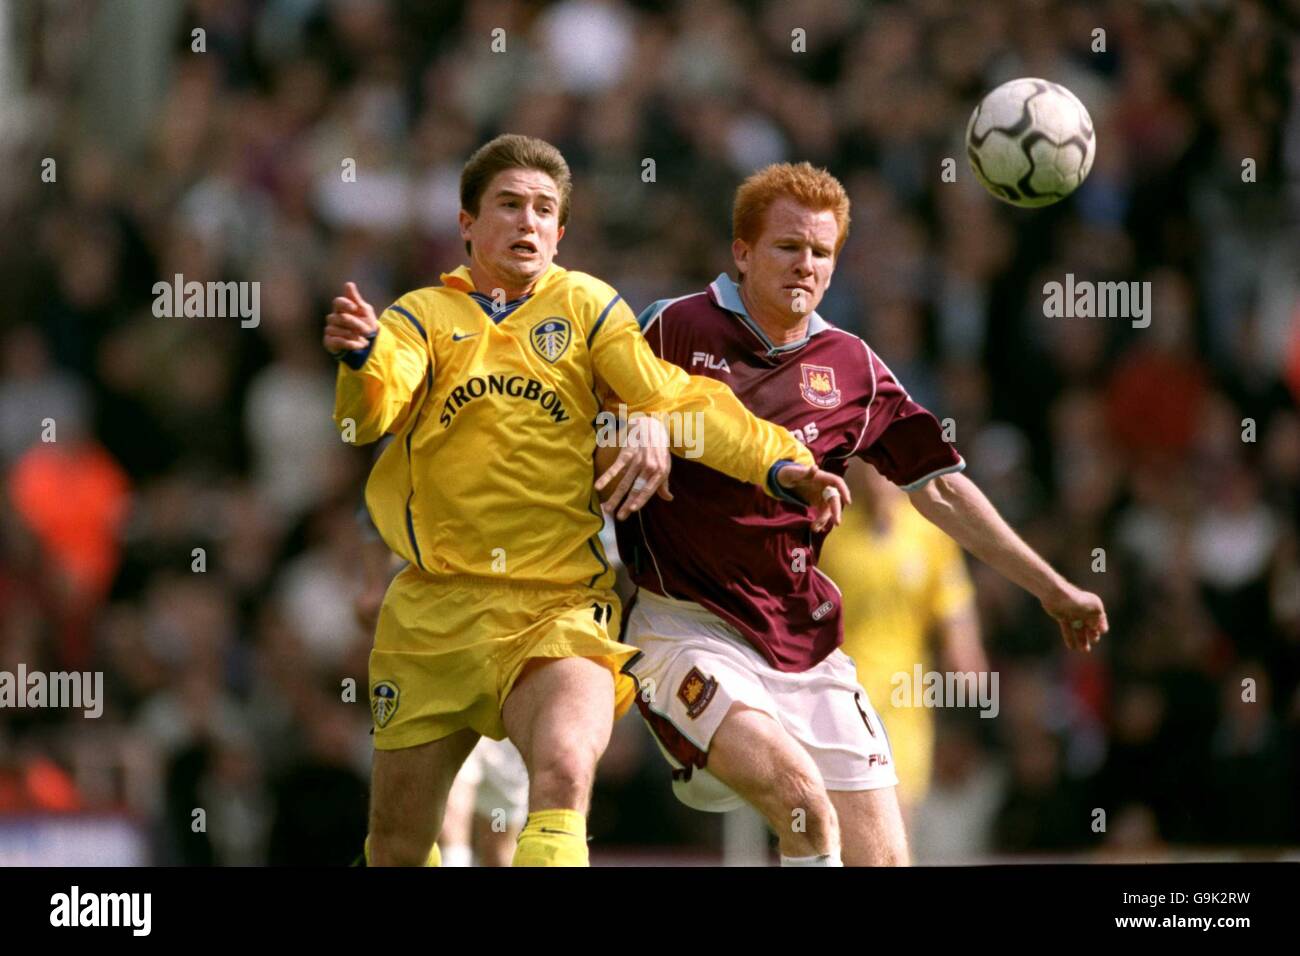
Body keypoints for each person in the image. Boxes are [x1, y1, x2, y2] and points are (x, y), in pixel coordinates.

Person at [323, 135, 850, 867]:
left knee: (565, 773)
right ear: (468, 222)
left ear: (561, 232)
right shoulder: (420, 317)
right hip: (435, 615)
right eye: (508, 204)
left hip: (557, 607)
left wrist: (785, 463)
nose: (527, 222)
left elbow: (677, 398)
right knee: (400, 848)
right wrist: (361, 359)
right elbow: (370, 415)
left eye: (544, 209)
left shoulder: (587, 307)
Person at [603, 162, 1106, 866]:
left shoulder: (853, 369)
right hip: (688, 628)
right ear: (741, 252)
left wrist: (1050, 585)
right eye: (786, 247)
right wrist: (639, 423)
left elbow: (942, 486)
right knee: (801, 803)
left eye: (821, 252)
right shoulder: (671, 328)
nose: (804, 264)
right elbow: (588, 423)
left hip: (807, 649)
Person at [817, 460, 986, 819]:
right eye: (868, 464)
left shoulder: (929, 535)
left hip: (904, 701)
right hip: (840, 697)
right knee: (845, 817)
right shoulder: (829, 532)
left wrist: (966, 655)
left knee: (897, 810)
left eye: (884, 464)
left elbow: (954, 607)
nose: (876, 475)